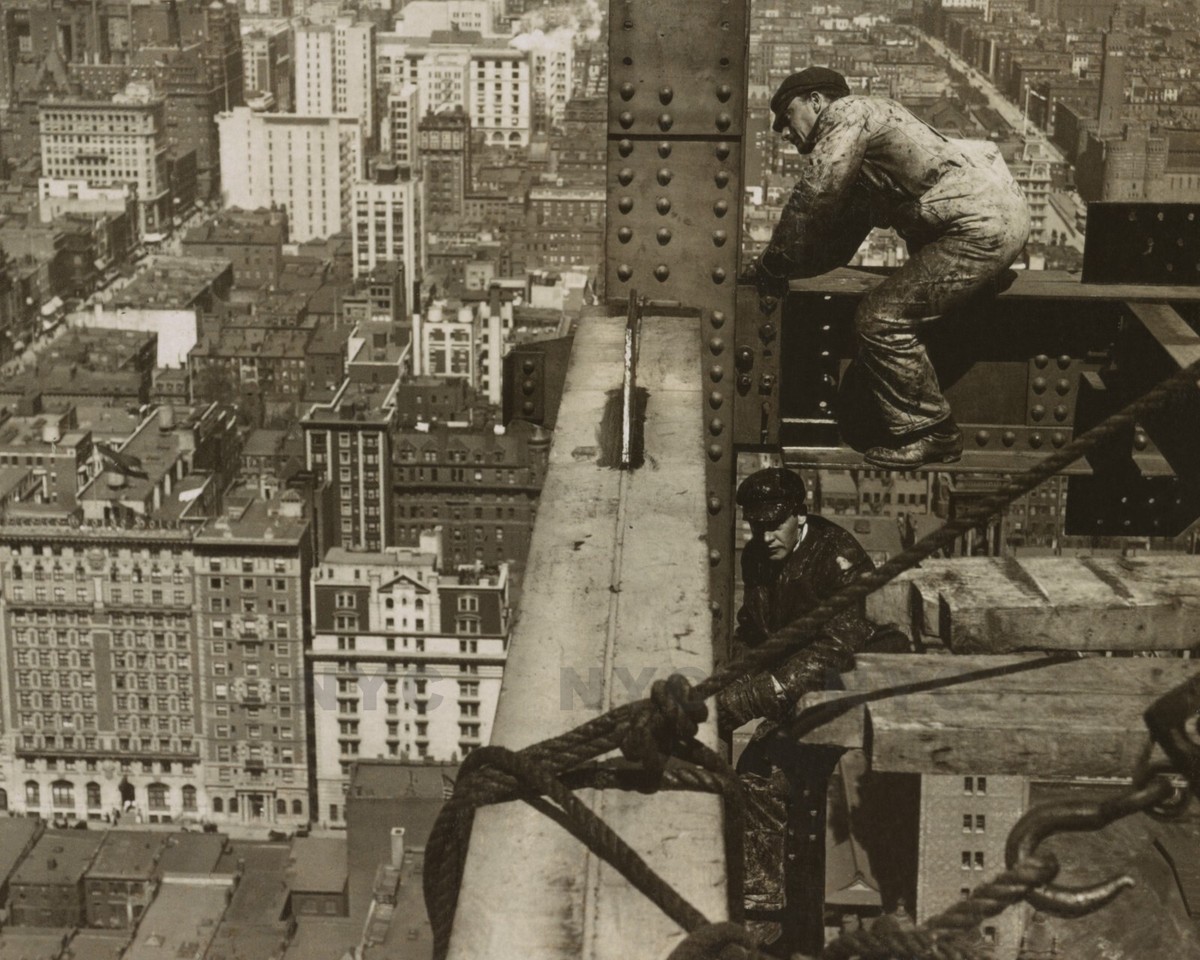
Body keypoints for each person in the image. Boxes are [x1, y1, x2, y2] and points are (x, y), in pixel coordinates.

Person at [743, 66, 1031, 469]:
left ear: (816, 101)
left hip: (978, 228)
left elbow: (815, 197)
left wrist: (771, 265)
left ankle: (934, 432)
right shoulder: (872, 147)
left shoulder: (848, 114)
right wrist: (784, 268)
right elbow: (840, 243)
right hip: (994, 220)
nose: (784, 133)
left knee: (880, 320)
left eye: (787, 117)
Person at [718, 466, 882, 733]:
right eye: (757, 526)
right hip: (795, 688)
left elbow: (840, 647)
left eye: (775, 524)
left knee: (768, 768)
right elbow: (753, 628)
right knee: (754, 767)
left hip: (848, 691)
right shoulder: (757, 555)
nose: (766, 537)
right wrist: (738, 677)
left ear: (801, 515)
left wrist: (755, 696)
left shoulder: (840, 558)